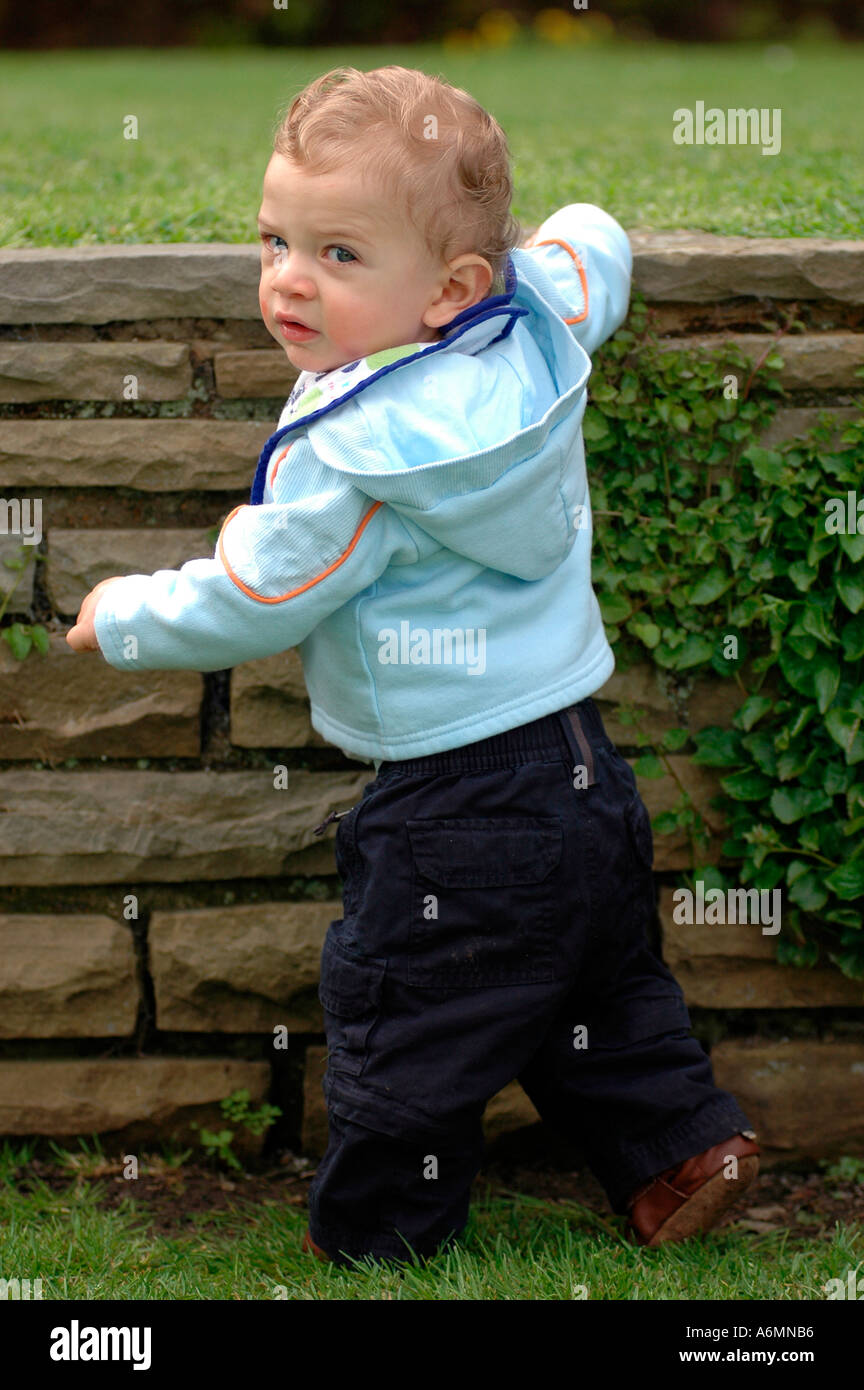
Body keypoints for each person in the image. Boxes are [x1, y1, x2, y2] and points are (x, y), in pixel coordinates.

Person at [67, 64, 760, 1268]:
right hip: (584, 769)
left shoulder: (362, 450)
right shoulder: (534, 319)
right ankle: (682, 1158)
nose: (290, 277)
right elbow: (590, 260)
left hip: (457, 806)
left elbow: (257, 592)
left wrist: (120, 616)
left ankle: (381, 1234)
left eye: (340, 256)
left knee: (408, 1015)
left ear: (449, 289)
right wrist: (576, 228)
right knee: (603, 989)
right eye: (276, 238)